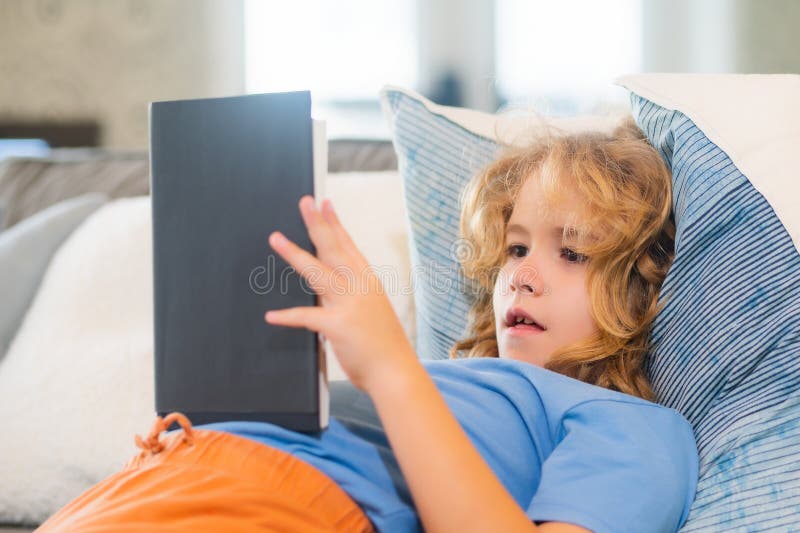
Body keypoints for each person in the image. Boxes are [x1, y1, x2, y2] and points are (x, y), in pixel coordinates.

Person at [38, 118, 698, 533]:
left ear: (643, 291)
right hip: (151, 472)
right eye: (516, 248)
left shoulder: (636, 428)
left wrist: (388, 367)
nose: (521, 275)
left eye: (572, 252)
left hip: (271, 498)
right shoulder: (455, 378)